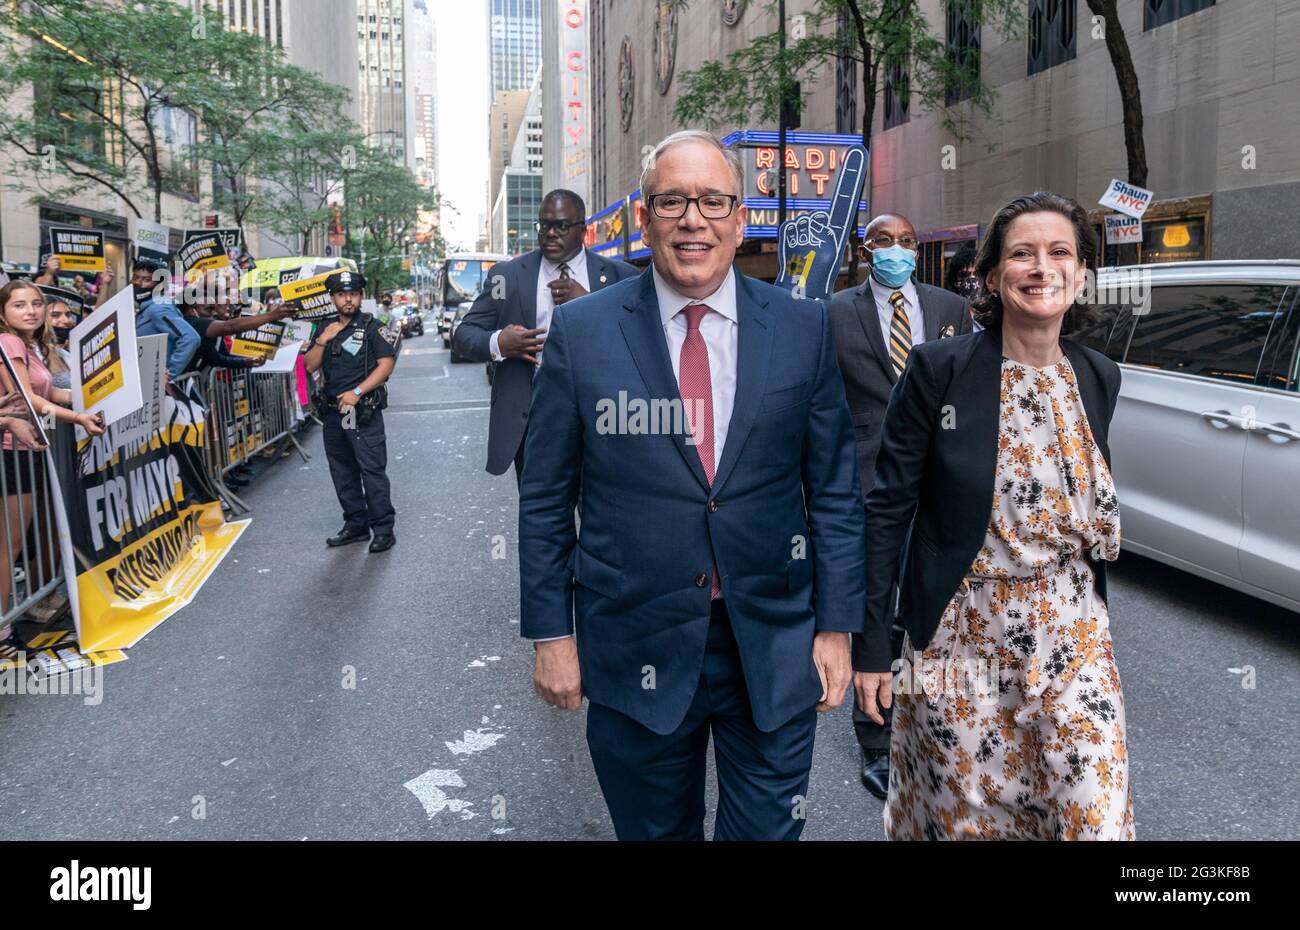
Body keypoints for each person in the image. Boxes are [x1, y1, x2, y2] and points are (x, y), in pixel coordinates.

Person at [518, 131, 866, 841]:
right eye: (671, 200)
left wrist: (837, 626)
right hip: (632, 643)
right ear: (645, 221)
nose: (693, 218)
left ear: (741, 220)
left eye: (713, 200)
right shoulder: (583, 333)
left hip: (771, 645)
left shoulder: (802, 329)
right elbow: (547, 497)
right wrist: (552, 633)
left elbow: (833, 489)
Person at [863, 191, 1133, 840]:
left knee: (1092, 817)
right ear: (991, 277)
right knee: (970, 824)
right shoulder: (939, 370)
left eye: (1060, 252)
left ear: (1081, 273)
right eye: (1022, 254)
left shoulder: (1099, 376)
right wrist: (872, 648)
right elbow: (887, 509)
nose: (1042, 267)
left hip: (1073, 636)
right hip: (963, 635)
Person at [826, 212, 972, 800]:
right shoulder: (834, 312)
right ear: (866, 249)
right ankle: (876, 740)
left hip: (939, 482)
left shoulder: (949, 311)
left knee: (933, 605)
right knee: (874, 602)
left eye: (907, 242)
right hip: (865, 478)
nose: (896, 250)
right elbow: (825, 402)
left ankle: (937, 727)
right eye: (884, 241)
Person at [452, 188, 638, 486]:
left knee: (603, 516)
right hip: (532, 423)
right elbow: (463, 334)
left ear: (583, 229)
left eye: (561, 226)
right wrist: (500, 342)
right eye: (544, 225)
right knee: (541, 519)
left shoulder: (621, 277)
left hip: (602, 418)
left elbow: (642, 343)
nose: (551, 233)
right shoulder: (507, 276)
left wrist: (589, 302)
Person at [0, 281, 105, 612]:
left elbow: (49, 394)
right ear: (2, 312)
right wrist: (78, 417)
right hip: (10, 450)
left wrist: (96, 395)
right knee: (9, 544)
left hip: (24, 448)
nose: (30, 310)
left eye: (35, 303)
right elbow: (29, 398)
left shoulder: (28, 344)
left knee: (15, 540)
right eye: (19, 305)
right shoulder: (8, 342)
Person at [303, 270, 399, 553]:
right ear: (333, 298)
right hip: (333, 411)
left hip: (361, 409)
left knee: (371, 470)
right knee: (342, 471)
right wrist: (323, 339)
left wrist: (357, 392)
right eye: (342, 294)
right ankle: (355, 525)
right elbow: (309, 366)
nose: (348, 299)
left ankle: (383, 529)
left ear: (360, 296)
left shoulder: (372, 326)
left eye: (354, 294)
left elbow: (386, 365)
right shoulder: (325, 327)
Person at [131, 259, 200, 380]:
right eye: (135, 277)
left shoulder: (159, 308)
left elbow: (190, 338)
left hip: (154, 386)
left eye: (146, 280)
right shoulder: (146, 306)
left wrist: (170, 373)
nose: (137, 283)